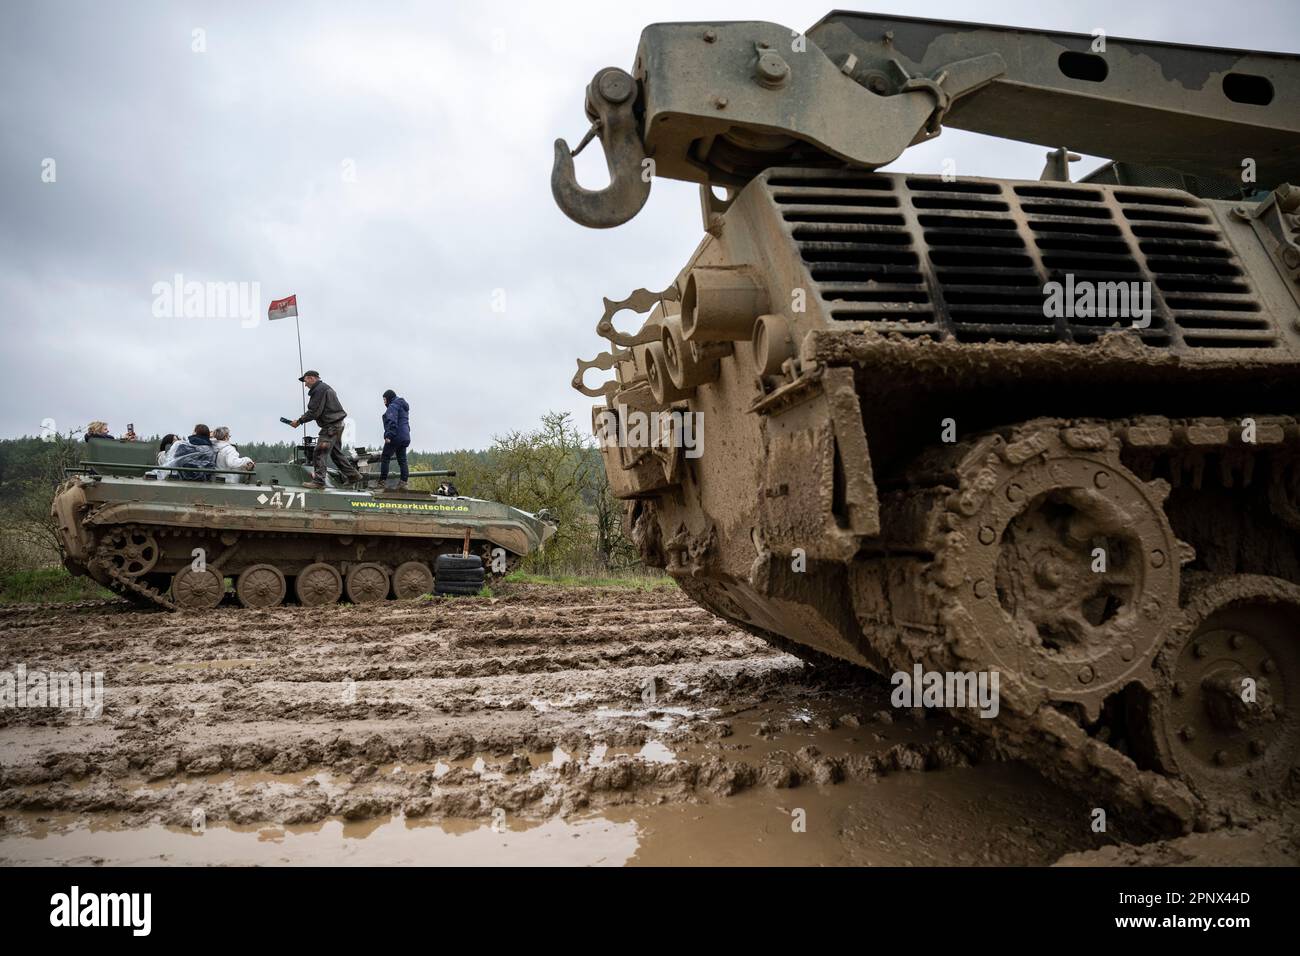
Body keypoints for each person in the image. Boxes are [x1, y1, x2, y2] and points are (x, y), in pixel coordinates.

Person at [290, 371, 363, 489]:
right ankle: (353, 475)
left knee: (319, 452)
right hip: (338, 425)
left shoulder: (319, 390)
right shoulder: (326, 388)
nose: (305, 385)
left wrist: (299, 421)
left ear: (312, 378)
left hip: (331, 427)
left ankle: (319, 481)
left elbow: (314, 412)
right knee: (336, 454)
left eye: (306, 381)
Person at [380, 389, 410, 490]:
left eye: (384, 399)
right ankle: (403, 482)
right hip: (405, 436)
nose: (384, 402)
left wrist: (388, 435)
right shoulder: (403, 407)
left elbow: (392, 421)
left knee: (385, 457)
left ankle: (382, 481)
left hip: (395, 436)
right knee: (402, 460)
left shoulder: (393, 406)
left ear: (389, 398)